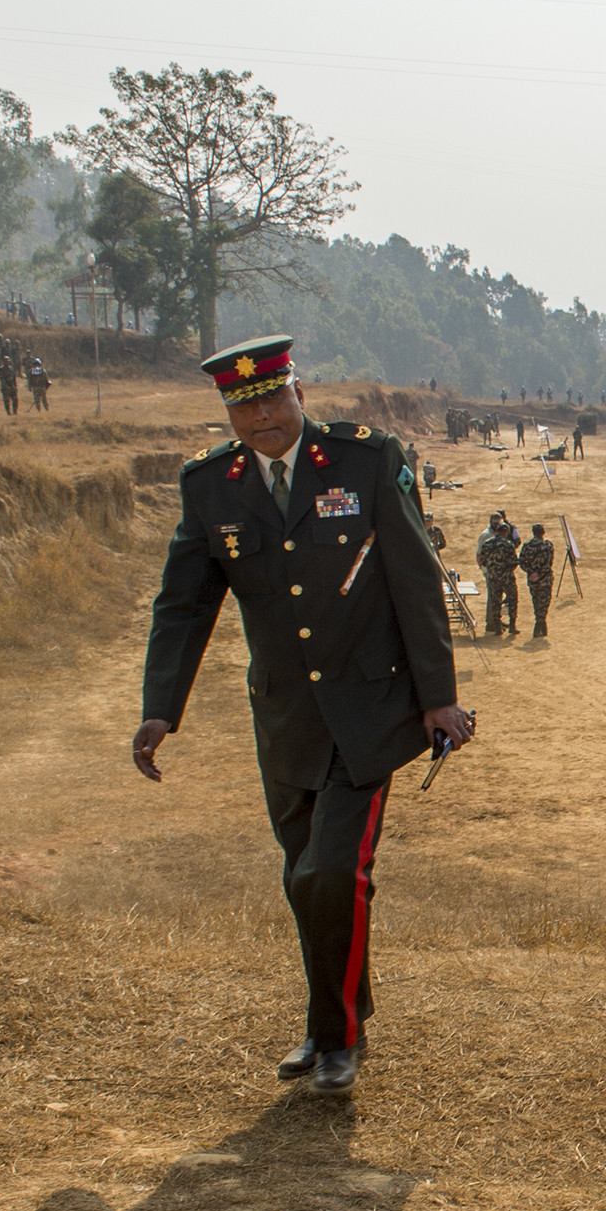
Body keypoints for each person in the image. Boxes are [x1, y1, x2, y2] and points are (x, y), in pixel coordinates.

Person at [133, 335, 472, 1098]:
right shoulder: (211, 486)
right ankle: (333, 1022)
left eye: (270, 399)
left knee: (333, 873)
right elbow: (183, 605)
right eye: (242, 406)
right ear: (229, 413)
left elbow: (416, 580)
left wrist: (438, 696)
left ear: (299, 394)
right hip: (285, 720)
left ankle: (337, 1040)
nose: (260, 418)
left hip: (369, 713)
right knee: (303, 879)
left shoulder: (364, 461)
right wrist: (160, 709)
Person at [475, 510, 520, 636]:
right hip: (507, 577)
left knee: (495, 601)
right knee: (512, 600)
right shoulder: (508, 544)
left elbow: (483, 560)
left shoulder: (488, 543)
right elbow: (514, 562)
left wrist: (491, 569)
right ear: (505, 532)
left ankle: (497, 626)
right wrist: (507, 570)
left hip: (493, 576)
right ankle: (512, 625)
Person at [519, 522, 556, 638]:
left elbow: (521, 562)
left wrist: (531, 572)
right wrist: (539, 573)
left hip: (533, 580)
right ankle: (540, 623)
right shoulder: (547, 545)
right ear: (543, 532)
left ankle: (540, 623)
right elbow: (549, 563)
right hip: (545, 579)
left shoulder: (527, 545)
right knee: (544, 602)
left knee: (536, 601)